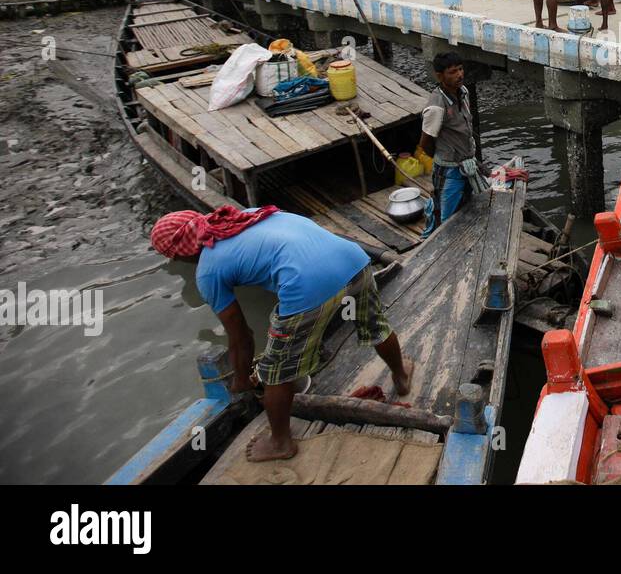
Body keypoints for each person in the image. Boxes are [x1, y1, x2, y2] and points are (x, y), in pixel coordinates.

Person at [150, 205, 412, 463]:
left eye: (172, 256)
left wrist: (241, 380)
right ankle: (400, 376)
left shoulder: (208, 271)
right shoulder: (242, 216)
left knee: (276, 369)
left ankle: (280, 442)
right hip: (354, 261)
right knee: (375, 325)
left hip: (310, 285)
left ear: (179, 252)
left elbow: (241, 337)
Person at [418, 51, 488, 229]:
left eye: (460, 69)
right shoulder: (436, 106)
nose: (459, 75)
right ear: (440, 76)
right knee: (446, 215)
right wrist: (444, 158)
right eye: (453, 72)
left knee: (466, 202)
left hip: (467, 163)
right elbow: (425, 143)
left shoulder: (463, 92)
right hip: (449, 169)